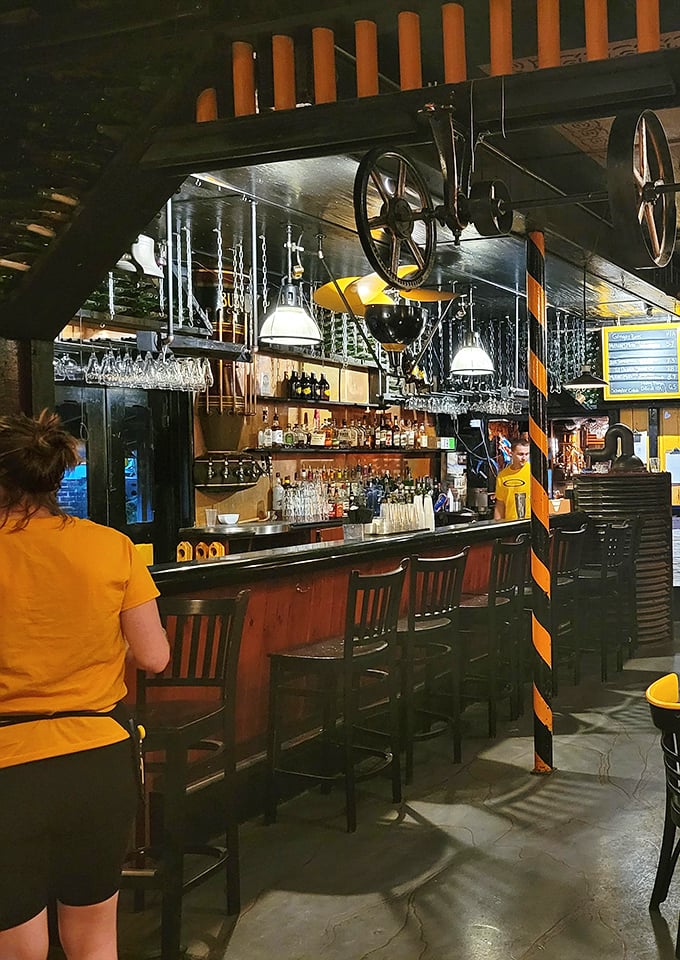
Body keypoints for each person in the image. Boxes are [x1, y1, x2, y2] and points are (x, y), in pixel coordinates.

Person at [0, 410, 170, 960]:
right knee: (95, 940)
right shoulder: (111, 546)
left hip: (8, 770)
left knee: (19, 947)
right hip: (99, 760)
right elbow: (154, 656)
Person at [494, 437, 531, 521]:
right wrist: (497, 526)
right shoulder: (502, 476)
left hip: (530, 523)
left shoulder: (534, 473)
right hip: (510, 524)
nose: (524, 458)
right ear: (511, 453)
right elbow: (500, 503)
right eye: (520, 454)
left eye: (527, 454)